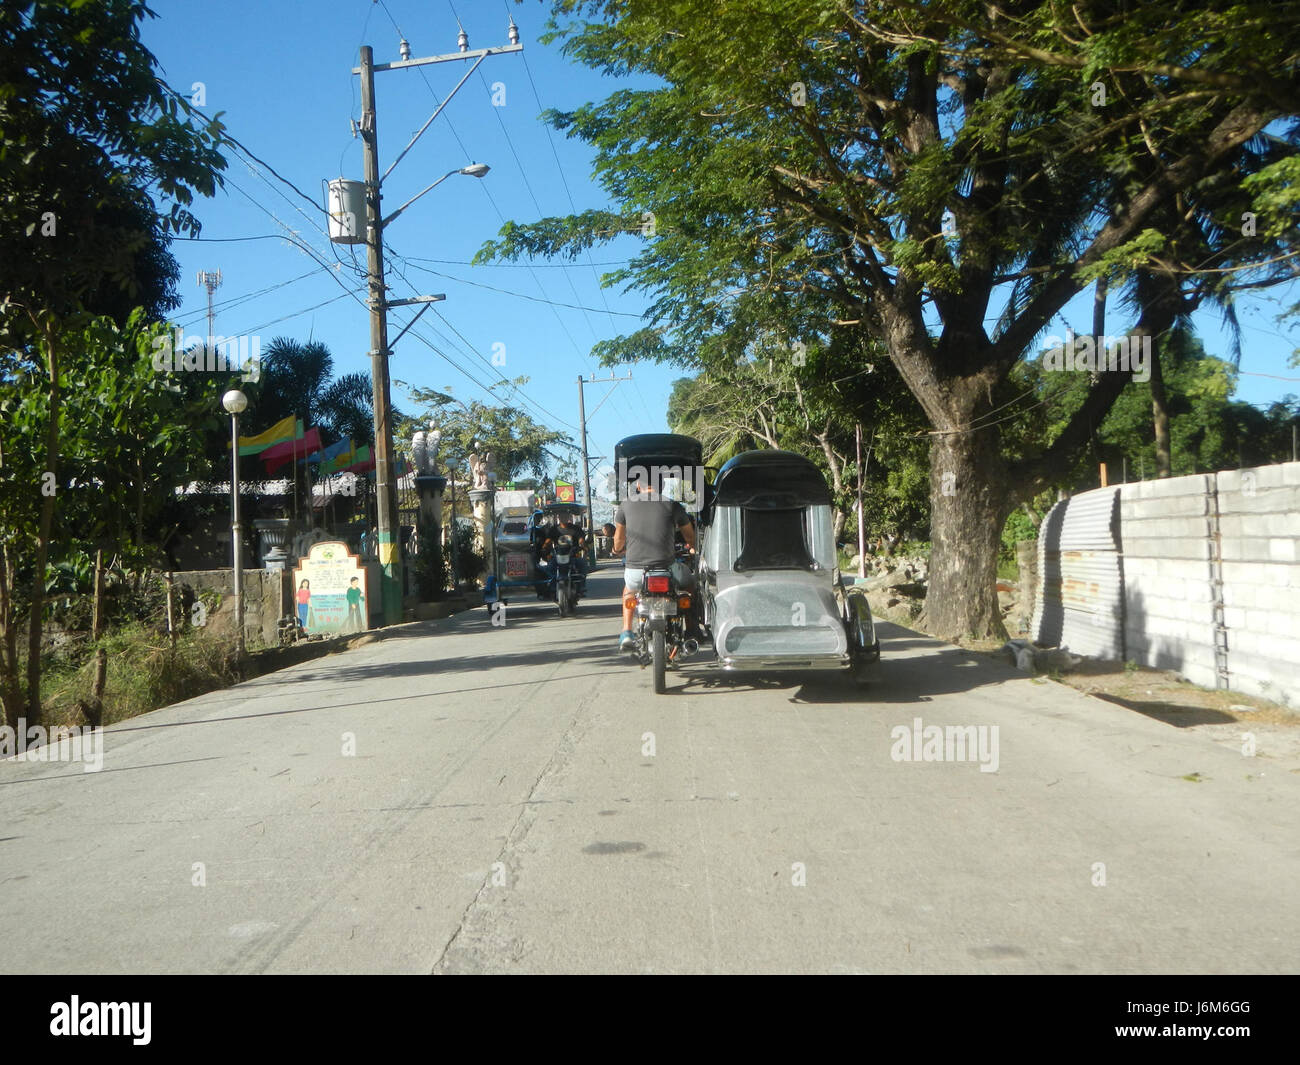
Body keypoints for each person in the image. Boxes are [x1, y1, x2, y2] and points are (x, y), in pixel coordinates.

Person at [613, 480, 696, 651]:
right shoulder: (673, 505)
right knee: (690, 584)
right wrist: (692, 546)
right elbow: (689, 535)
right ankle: (691, 628)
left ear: (638, 486)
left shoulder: (626, 505)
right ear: (662, 486)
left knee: (628, 590)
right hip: (668, 570)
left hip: (636, 573)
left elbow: (619, 539)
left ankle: (627, 631)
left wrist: (617, 550)